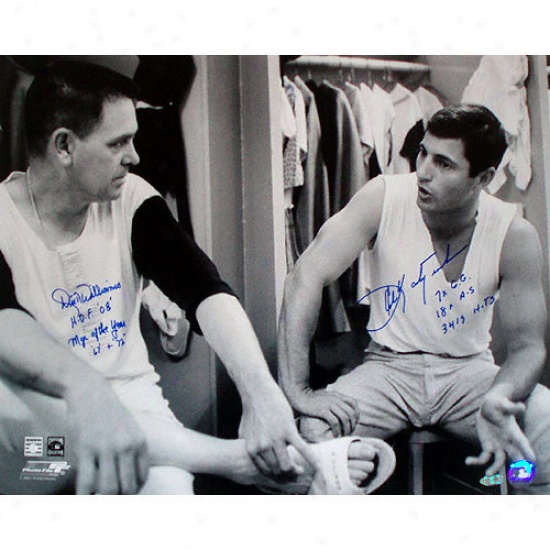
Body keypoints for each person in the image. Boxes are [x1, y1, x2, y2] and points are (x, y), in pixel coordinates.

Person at [0, 59, 394, 495]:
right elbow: (5, 323)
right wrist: (86, 388)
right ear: (64, 146)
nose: (135, 156)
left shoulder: (131, 199)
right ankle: (238, 462)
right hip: (38, 428)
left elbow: (204, 290)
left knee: (171, 496)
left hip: (135, 404)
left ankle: (230, 460)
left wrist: (260, 391)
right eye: (119, 143)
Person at [278, 104, 550, 494]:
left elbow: (528, 347)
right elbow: (304, 276)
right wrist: (300, 391)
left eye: (444, 164)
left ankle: (517, 497)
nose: (423, 170)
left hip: (469, 375)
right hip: (388, 370)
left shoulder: (514, 234)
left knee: (542, 429)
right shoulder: (384, 197)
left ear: (484, 178)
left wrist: (500, 395)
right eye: (423, 152)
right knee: (314, 435)